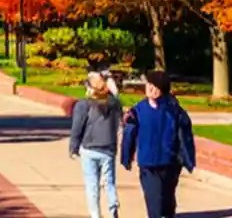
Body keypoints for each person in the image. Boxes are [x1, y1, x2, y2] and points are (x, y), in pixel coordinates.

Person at [121, 70, 195, 218]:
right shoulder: (138, 111)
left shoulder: (175, 110)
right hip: (149, 164)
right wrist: (126, 156)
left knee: (167, 200)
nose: (151, 89)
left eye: (156, 86)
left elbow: (185, 136)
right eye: (149, 84)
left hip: (170, 163)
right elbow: (129, 133)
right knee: (154, 201)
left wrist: (187, 159)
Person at [70, 68, 122, 218]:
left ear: (89, 88)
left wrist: (73, 146)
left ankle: (95, 215)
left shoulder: (84, 105)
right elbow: (119, 123)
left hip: (89, 148)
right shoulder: (114, 104)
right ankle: (113, 207)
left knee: (92, 184)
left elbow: (77, 127)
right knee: (109, 182)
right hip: (108, 148)